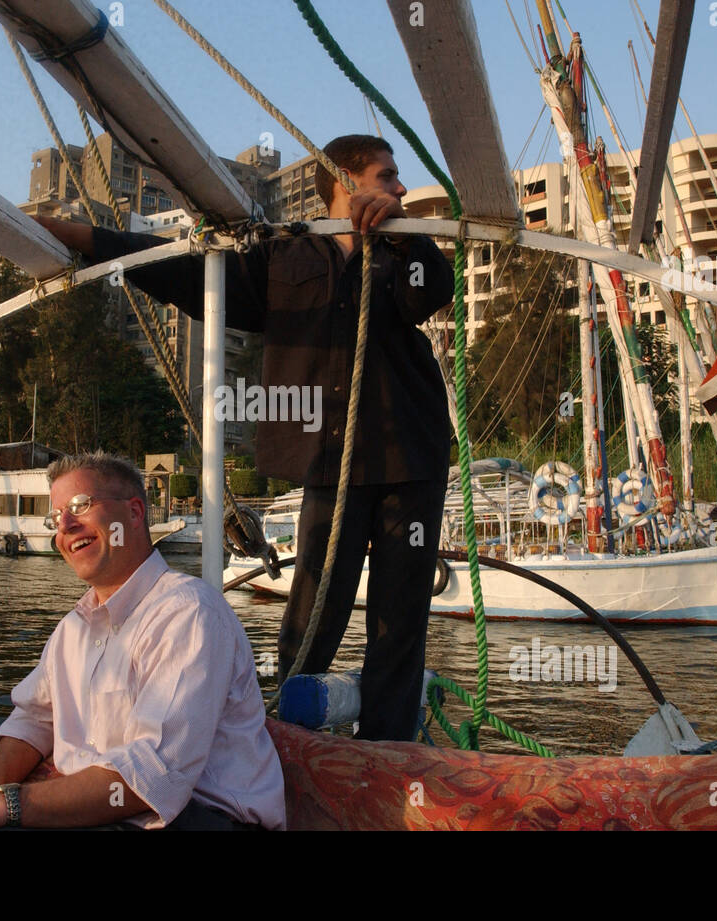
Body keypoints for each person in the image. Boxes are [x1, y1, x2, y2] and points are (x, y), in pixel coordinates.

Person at [29, 135, 454, 741]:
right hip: (329, 457)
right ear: (344, 180)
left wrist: (404, 235)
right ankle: (289, 736)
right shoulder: (284, 257)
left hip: (409, 451)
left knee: (401, 610)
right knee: (316, 595)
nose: (400, 188)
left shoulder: (402, 252)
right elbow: (185, 272)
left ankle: (387, 749)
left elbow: (431, 293)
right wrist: (83, 238)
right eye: (387, 176)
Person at [0, 452, 284, 830]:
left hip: (197, 819)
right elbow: (34, 717)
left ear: (134, 513)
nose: (65, 526)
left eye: (80, 506)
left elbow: (154, 774)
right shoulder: (73, 630)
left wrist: (2, 807)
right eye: (55, 517)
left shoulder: (188, 612)